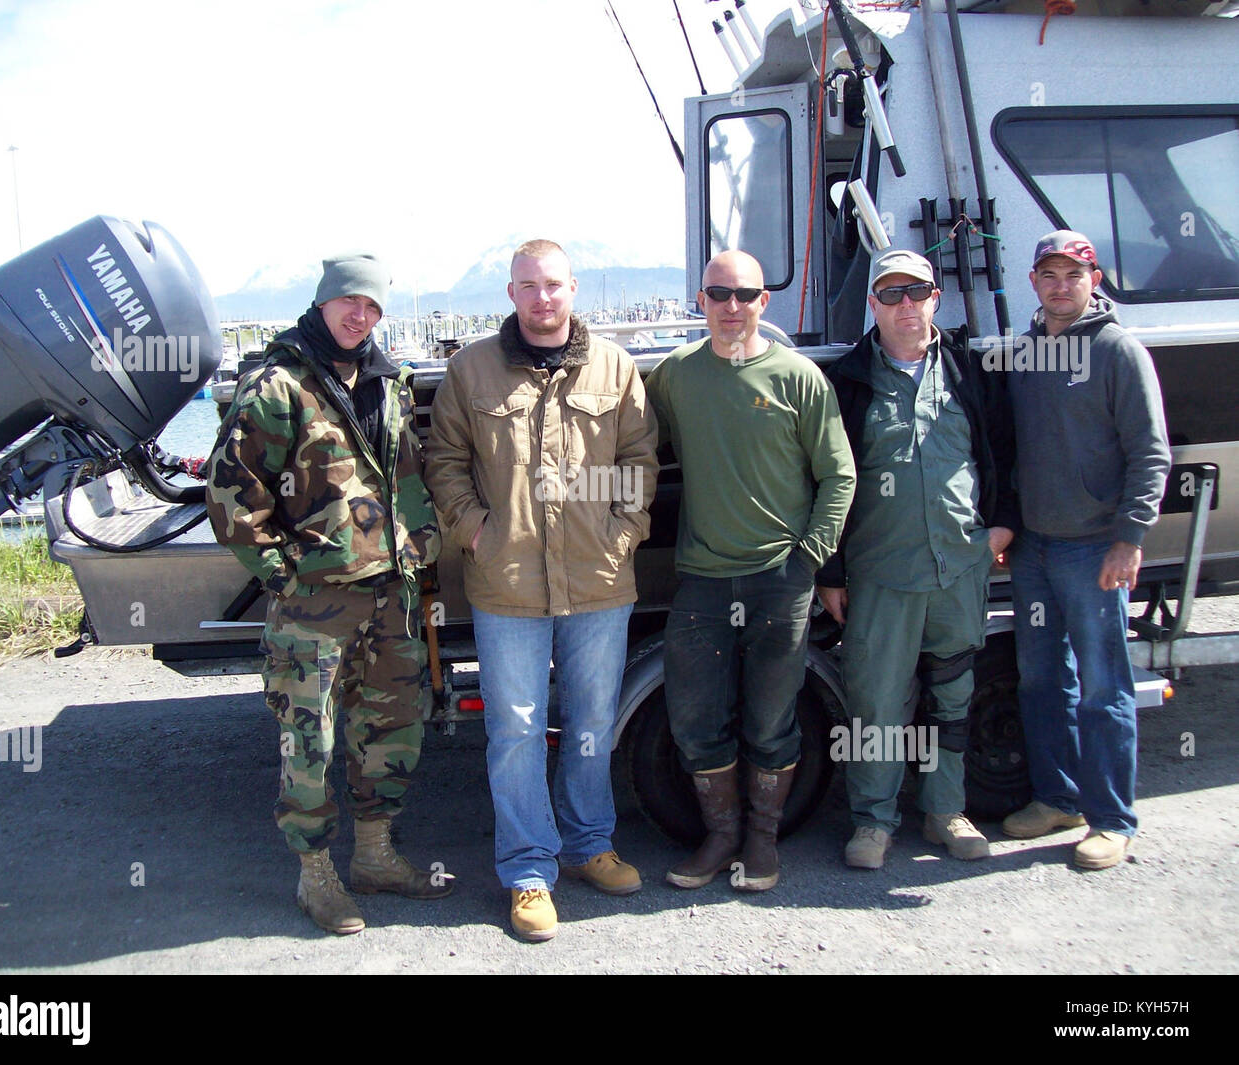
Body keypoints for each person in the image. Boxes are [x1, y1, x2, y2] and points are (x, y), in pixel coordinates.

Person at [207, 254, 449, 935]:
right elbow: (232, 496)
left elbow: (406, 471)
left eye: (371, 306)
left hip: (390, 593)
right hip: (315, 602)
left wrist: (420, 542)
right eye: (348, 302)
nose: (359, 315)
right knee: (308, 737)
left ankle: (374, 854)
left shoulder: (386, 379)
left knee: (393, 725)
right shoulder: (279, 386)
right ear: (322, 302)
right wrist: (284, 572)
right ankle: (316, 877)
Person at [424, 239, 658, 941]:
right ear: (511, 294)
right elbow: (444, 462)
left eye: (553, 284)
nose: (542, 297)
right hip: (507, 585)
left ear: (574, 288)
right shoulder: (470, 371)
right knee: (517, 730)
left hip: (600, 579)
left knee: (591, 722)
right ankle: (528, 870)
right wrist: (477, 533)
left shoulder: (615, 367)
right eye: (528, 285)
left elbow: (639, 459)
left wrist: (621, 534)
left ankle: (590, 844)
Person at [645, 249, 855, 892]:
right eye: (718, 294)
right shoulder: (675, 375)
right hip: (703, 581)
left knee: (771, 718)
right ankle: (719, 836)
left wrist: (809, 560)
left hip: (778, 580)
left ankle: (762, 842)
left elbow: (838, 474)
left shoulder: (799, 378)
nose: (731, 307)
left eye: (745, 295)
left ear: (766, 301)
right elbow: (631, 448)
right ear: (700, 301)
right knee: (694, 718)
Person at [817, 248, 1020, 870]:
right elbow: (823, 477)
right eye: (891, 293)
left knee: (953, 696)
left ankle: (944, 811)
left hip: (960, 568)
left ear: (937, 298)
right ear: (872, 304)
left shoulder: (970, 368)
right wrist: (831, 571)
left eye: (918, 292)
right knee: (876, 702)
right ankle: (873, 821)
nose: (906, 304)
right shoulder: (847, 382)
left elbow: (1005, 451)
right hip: (882, 575)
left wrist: (1002, 528)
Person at [1003, 230, 1170, 870]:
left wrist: (1130, 538)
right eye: (1048, 273)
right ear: (1034, 282)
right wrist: (1010, 528)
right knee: (1042, 679)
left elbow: (1150, 453)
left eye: (1073, 274)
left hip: (1095, 549)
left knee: (1104, 686)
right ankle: (1058, 796)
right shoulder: (1023, 354)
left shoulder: (1119, 351)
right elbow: (1010, 448)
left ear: (1093, 280)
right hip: (1035, 550)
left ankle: (1112, 820)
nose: (1060, 284)